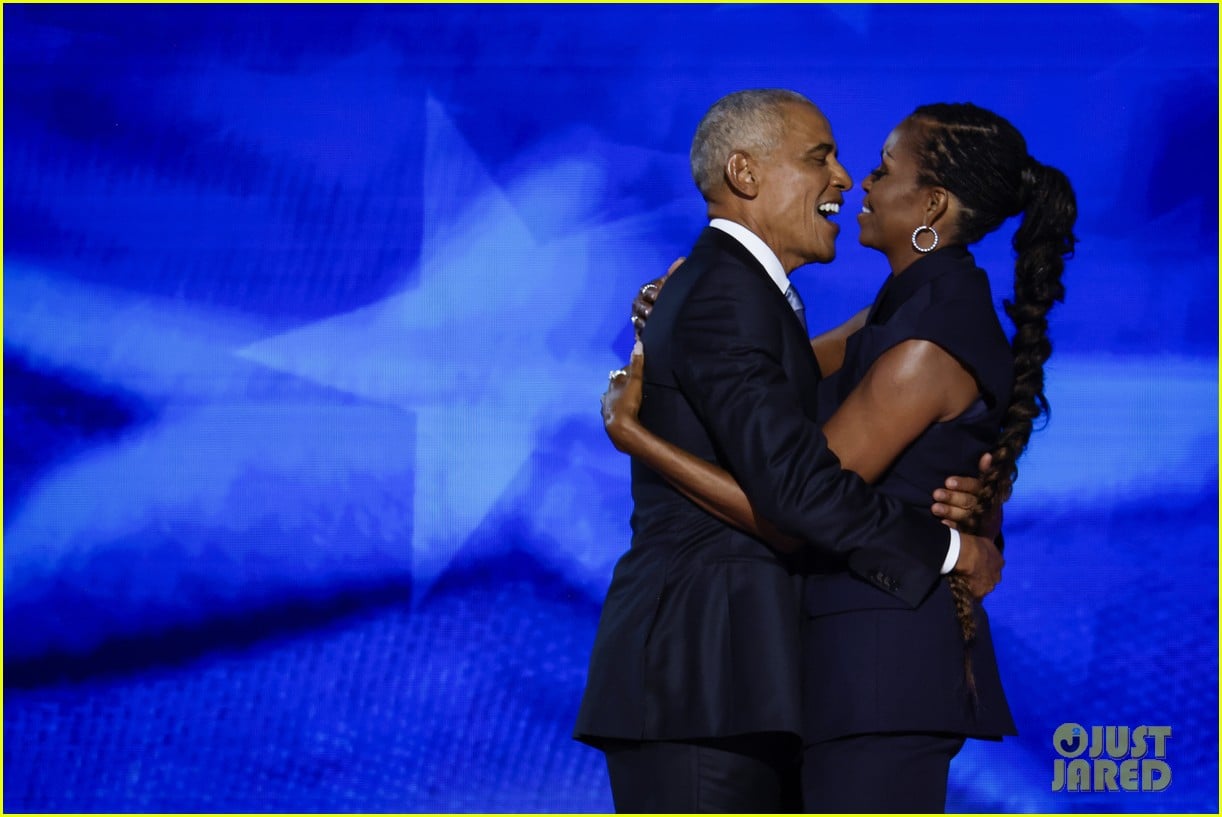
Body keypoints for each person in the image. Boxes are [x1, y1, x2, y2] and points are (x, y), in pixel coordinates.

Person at [602, 101, 1077, 811]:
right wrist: (671, 318)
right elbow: (774, 362)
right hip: (841, 664)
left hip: (878, 664)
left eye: (883, 169)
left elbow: (801, 497)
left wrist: (637, 436)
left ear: (932, 205)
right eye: (827, 158)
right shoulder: (901, 309)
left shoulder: (926, 339)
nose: (858, 181)